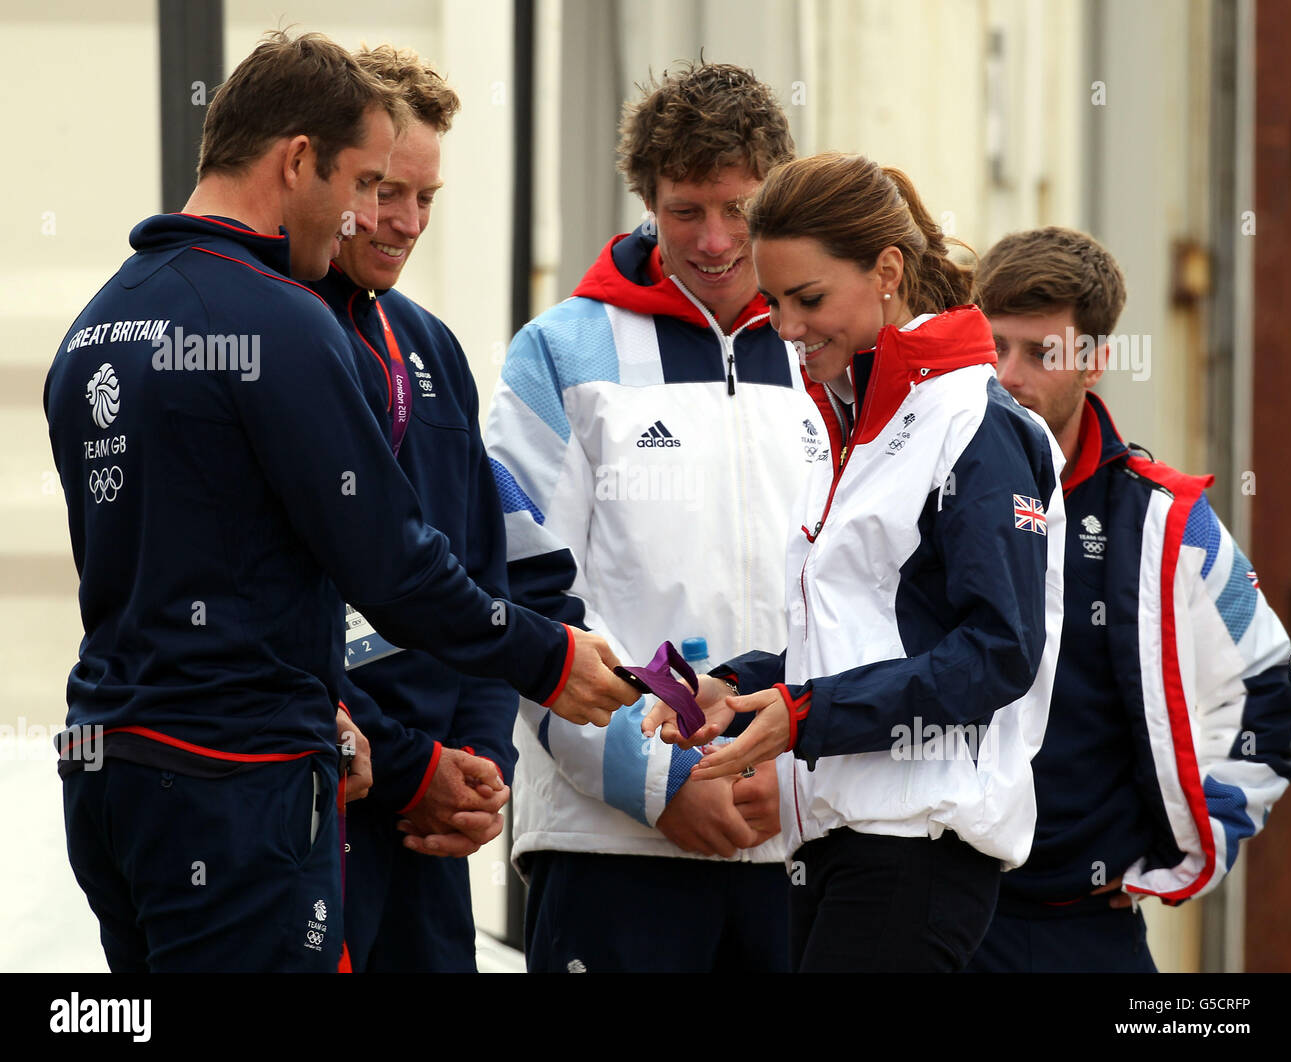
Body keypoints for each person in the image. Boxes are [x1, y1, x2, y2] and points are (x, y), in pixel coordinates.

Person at [44, 30, 635, 973]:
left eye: (413, 195)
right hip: (239, 775)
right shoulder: (279, 318)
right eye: (366, 184)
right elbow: (394, 564)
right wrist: (549, 656)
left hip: (112, 762)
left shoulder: (97, 323)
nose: (374, 215)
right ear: (297, 160)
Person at [645, 153, 1066, 973]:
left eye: (809, 299)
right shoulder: (856, 419)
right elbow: (866, 642)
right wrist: (739, 685)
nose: (788, 329)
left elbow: (999, 652)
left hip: (921, 842)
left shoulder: (975, 422)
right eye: (774, 302)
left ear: (887, 272)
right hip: (838, 835)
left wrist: (804, 716)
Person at [484, 62, 820, 972]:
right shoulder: (560, 351)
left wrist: (785, 767)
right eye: (686, 211)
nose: (714, 240)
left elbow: (867, 594)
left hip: (801, 840)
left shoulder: (825, 352)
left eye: (739, 208)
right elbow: (520, 594)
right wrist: (661, 784)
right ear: (647, 199)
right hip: (611, 850)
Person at [963, 226, 1291, 972]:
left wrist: (1192, 848)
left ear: (1093, 362)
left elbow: (1265, 686)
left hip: (1088, 929)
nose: (1008, 375)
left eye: (1039, 352)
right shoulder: (923, 494)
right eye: (995, 347)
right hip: (939, 917)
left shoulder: (1167, 522)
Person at [308, 45, 516, 972]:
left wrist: (477, 763)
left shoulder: (427, 344)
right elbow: (261, 607)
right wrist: (409, 766)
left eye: (427, 199)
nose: (406, 223)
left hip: (437, 819)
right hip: (327, 794)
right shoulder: (268, 332)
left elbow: (485, 577)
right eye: (386, 191)